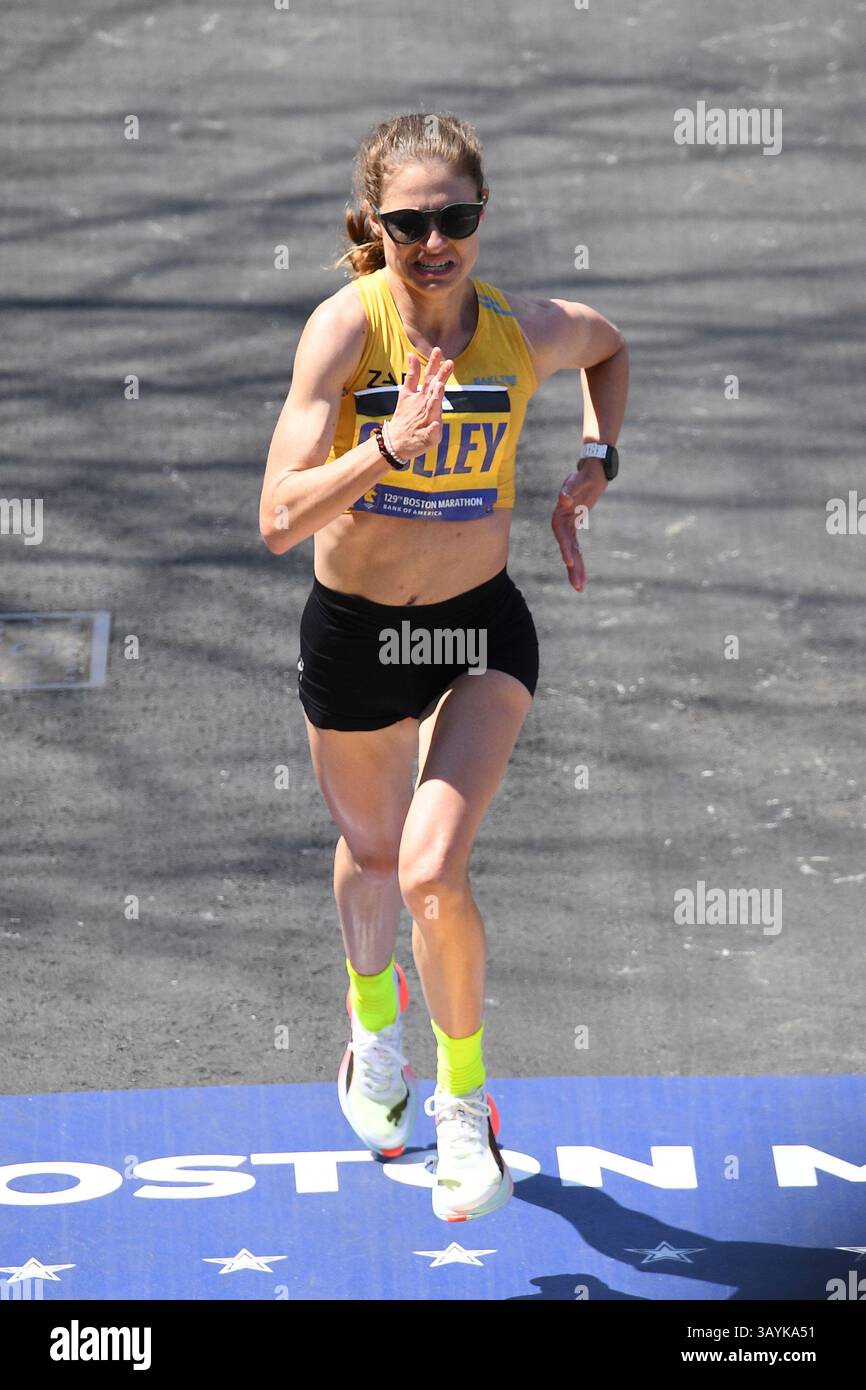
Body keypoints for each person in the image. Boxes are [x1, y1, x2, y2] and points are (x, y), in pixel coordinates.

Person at [259, 111, 628, 1222]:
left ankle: (465, 1112)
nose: (434, 242)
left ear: (481, 219)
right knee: (372, 855)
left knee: (427, 870)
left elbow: (608, 349)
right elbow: (277, 517)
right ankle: (375, 1034)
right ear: (374, 223)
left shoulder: (522, 329)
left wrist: (592, 464)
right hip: (356, 633)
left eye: (454, 218)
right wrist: (382, 451)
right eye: (410, 222)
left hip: (476, 630)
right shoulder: (343, 331)